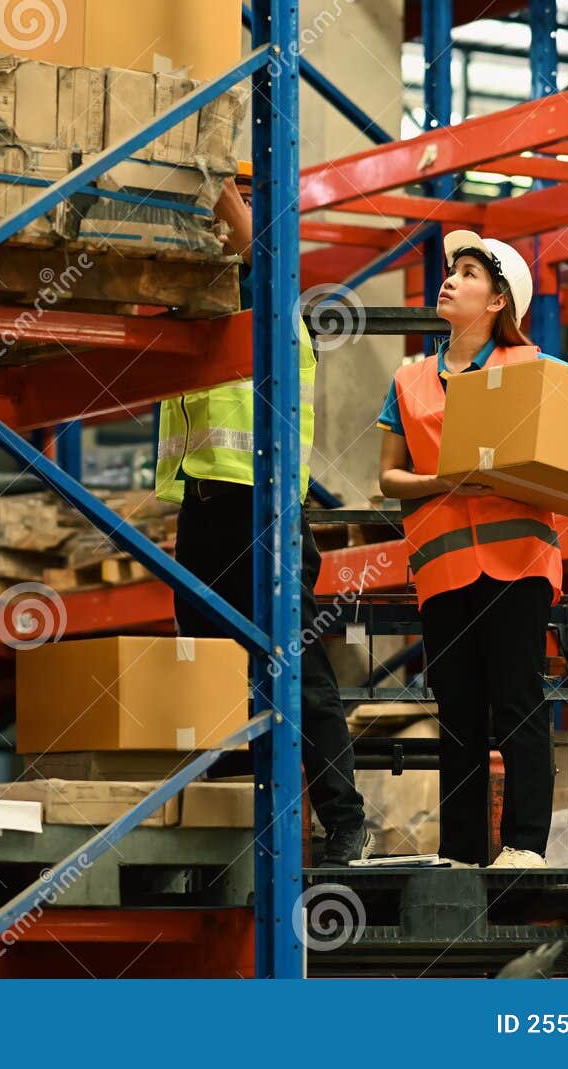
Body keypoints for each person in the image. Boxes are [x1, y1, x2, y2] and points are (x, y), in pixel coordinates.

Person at [376, 231, 568, 868]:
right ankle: (460, 851)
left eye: (468, 274)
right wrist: (444, 482)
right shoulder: (408, 380)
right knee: (457, 710)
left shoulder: (527, 368)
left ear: (497, 302)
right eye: (450, 270)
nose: (449, 280)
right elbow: (389, 477)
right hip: (442, 567)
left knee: (517, 700)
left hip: (518, 564)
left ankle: (523, 846)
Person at [155, 173, 370, 865]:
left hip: (264, 509)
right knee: (209, 666)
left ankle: (344, 820)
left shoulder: (270, 295)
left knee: (295, 669)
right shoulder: (201, 296)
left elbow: (256, 247)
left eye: (244, 201)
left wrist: (206, 176)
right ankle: (232, 820)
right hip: (204, 506)